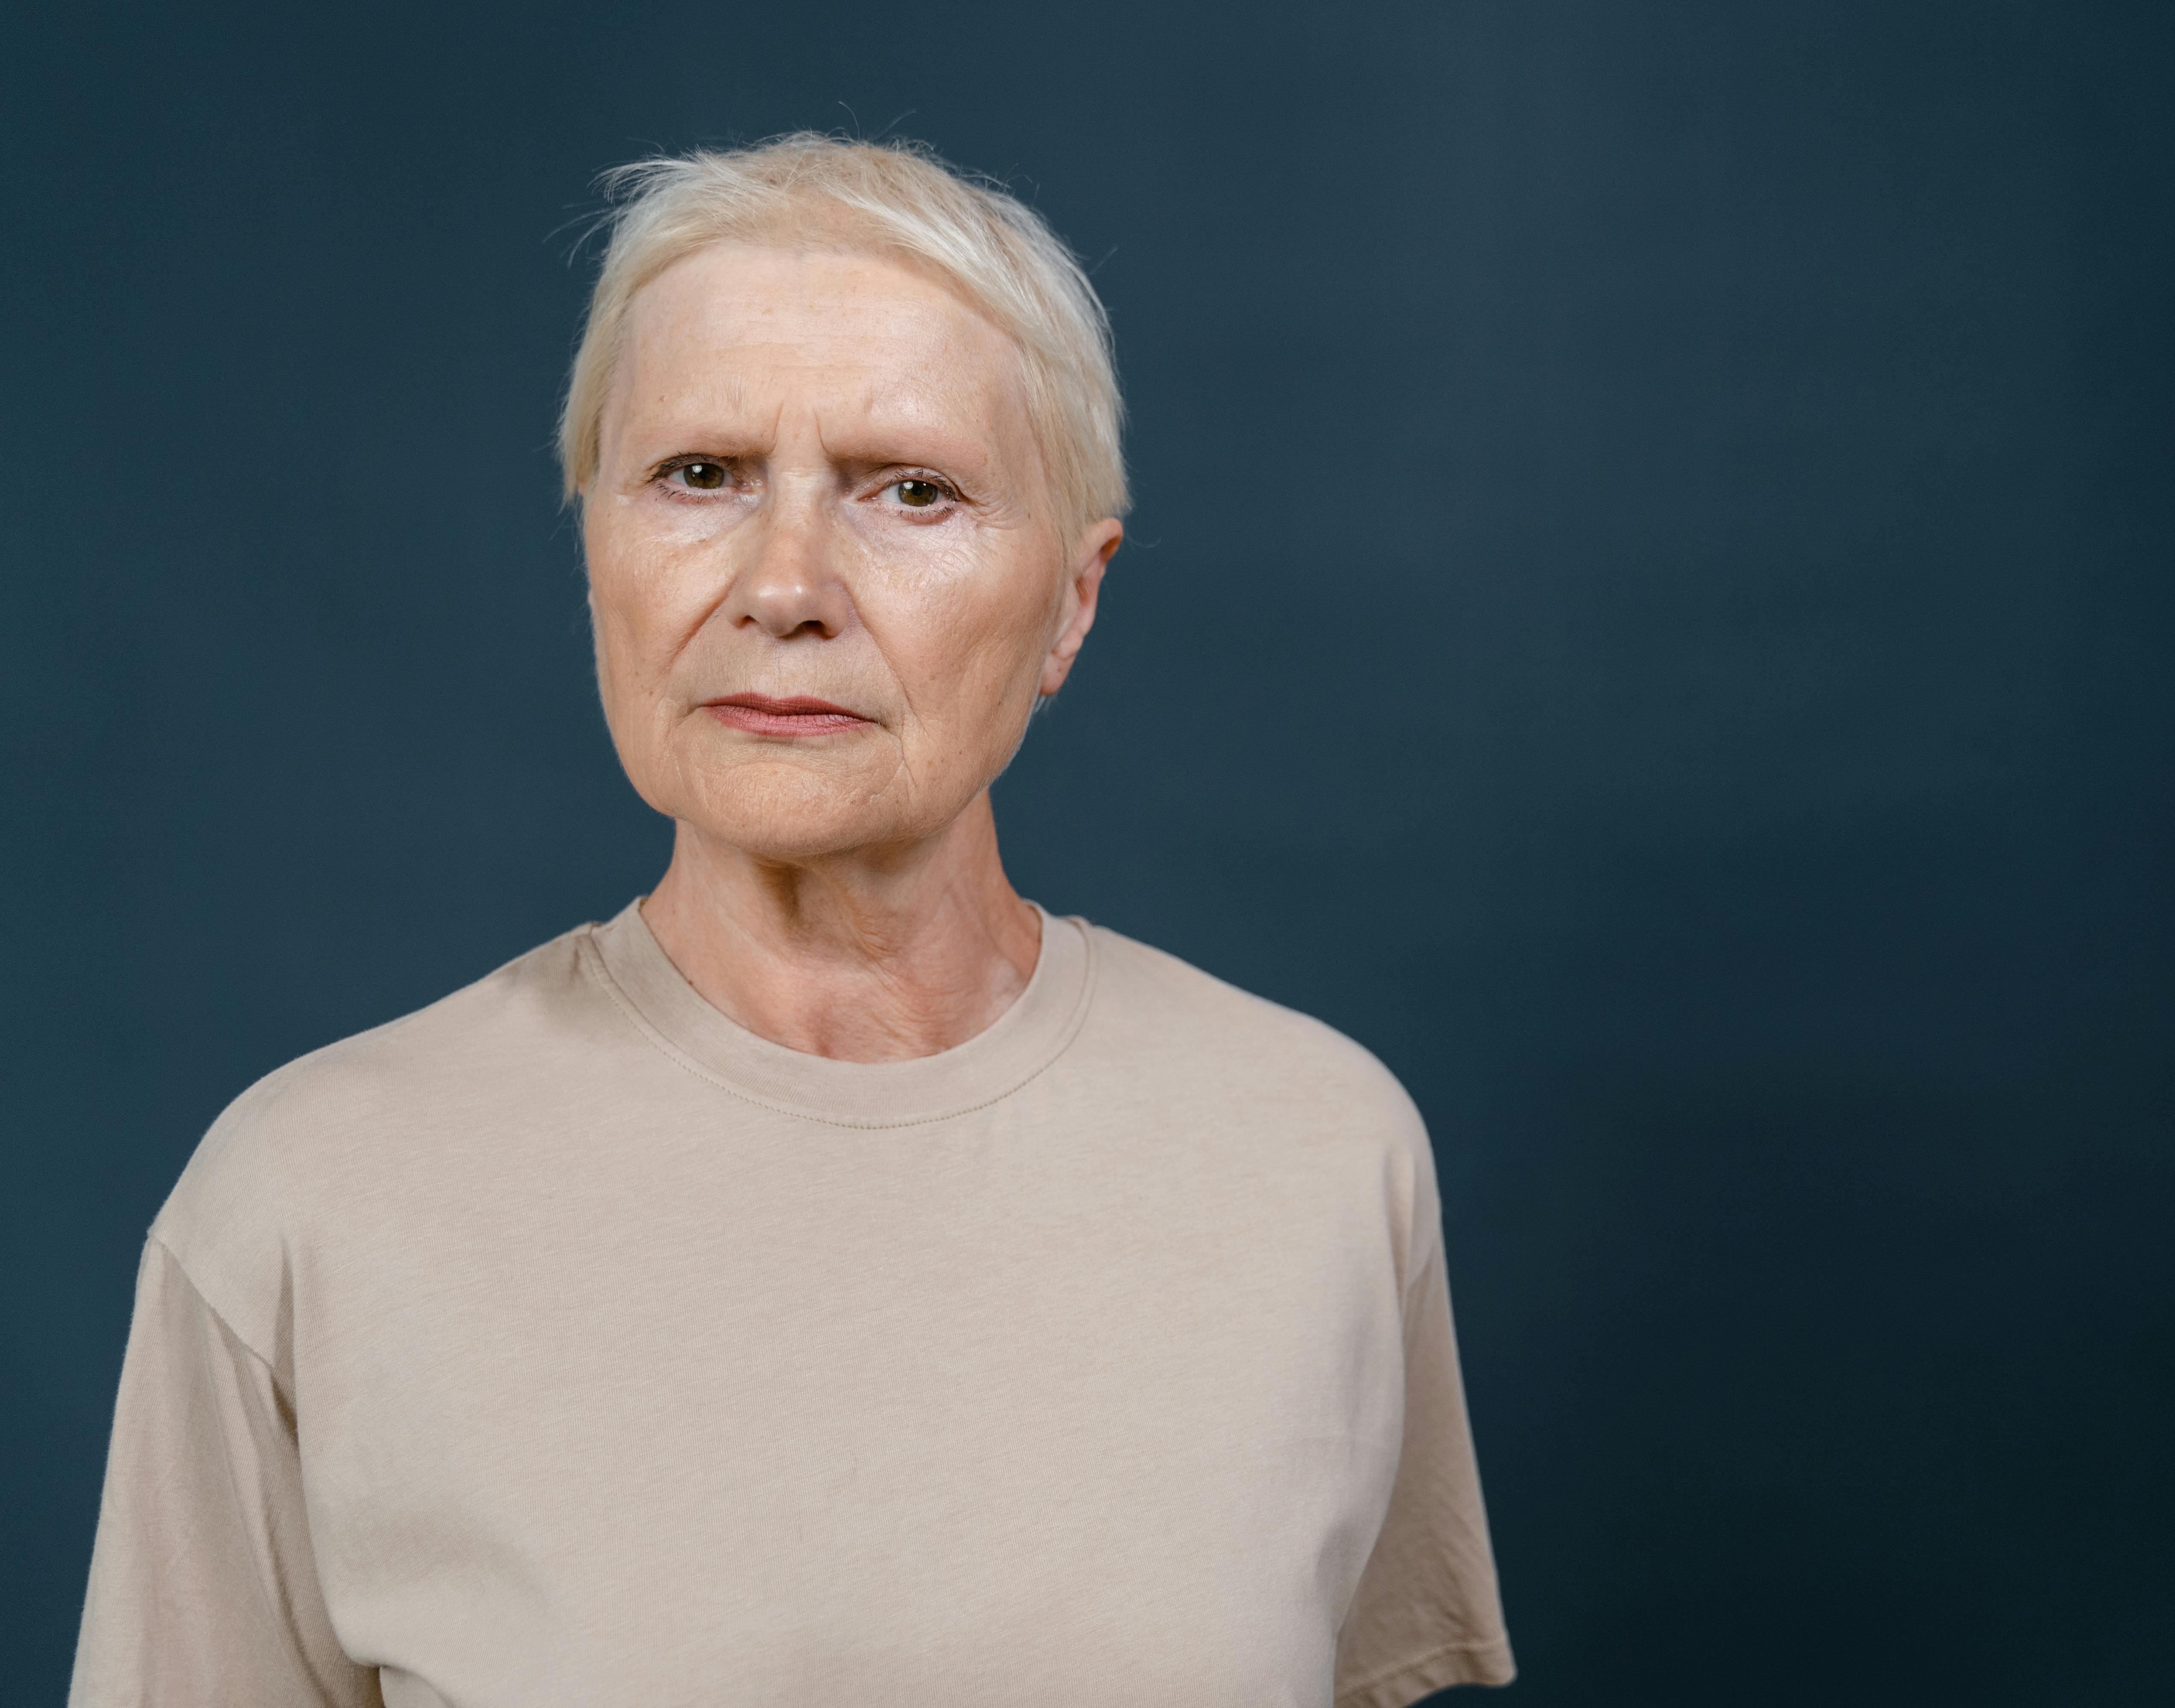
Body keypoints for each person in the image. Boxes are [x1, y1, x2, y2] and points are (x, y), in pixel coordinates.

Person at [67, 134, 1514, 1708]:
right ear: (597, 542)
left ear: (1073, 604)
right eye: (701, 476)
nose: (786, 584)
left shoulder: (1317, 1151)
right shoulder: (303, 1207)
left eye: (912, 490)